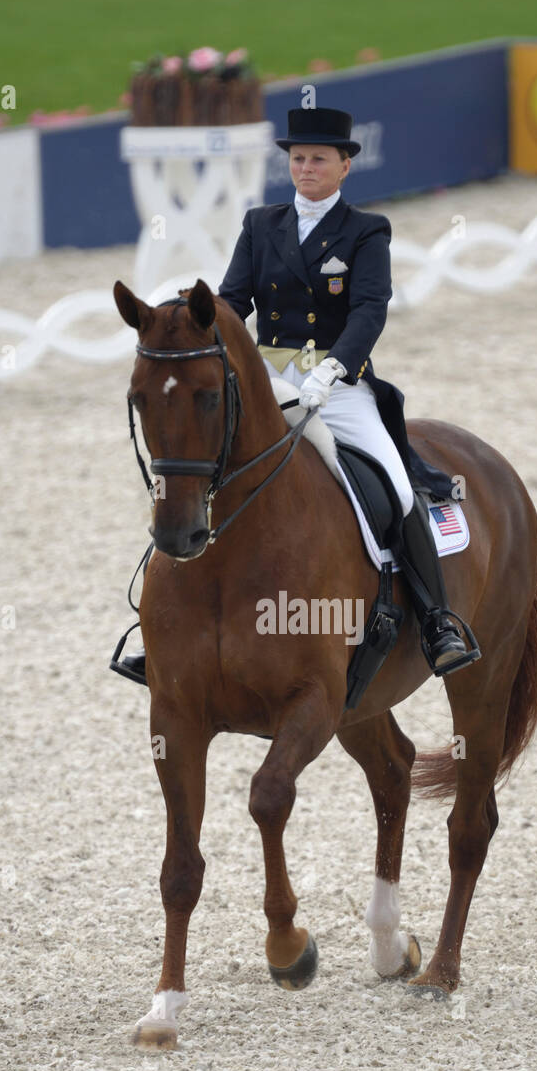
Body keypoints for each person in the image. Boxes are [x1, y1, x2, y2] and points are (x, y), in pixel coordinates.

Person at [112, 106, 478, 685]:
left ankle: (437, 621)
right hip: (270, 378)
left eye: (318, 159)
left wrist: (334, 368)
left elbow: (368, 308)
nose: (306, 168)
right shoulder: (262, 225)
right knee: (201, 467)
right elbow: (231, 303)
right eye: (298, 159)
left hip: (338, 384)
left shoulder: (366, 231)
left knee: (397, 485)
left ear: (344, 166)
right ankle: (162, 630)